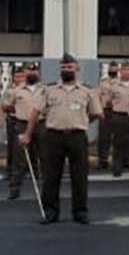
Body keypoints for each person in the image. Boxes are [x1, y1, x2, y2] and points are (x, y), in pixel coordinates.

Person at [23, 54, 101, 224]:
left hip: (77, 137)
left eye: (70, 67)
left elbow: (97, 113)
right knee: (51, 176)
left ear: (77, 69)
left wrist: (81, 121)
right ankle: (51, 212)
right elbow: (35, 112)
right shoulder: (48, 90)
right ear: (60, 69)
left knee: (79, 176)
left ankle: (80, 211)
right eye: (64, 67)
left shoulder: (87, 91)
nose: (66, 70)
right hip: (53, 137)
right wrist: (28, 134)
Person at [2, 65, 44, 199]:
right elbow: (6, 106)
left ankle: (46, 187)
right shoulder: (17, 90)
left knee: (44, 156)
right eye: (29, 72)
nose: (32, 74)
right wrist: (18, 112)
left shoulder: (45, 90)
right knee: (19, 157)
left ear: (38, 74)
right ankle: (14, 189)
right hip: (22, 124)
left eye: (34, 71)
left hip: (41, 124)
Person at [97, 63, 129, 175]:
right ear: (121, 71)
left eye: (128, 70)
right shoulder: (114, 86)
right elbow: (108, 100)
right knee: (117, 142)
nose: (126, 72)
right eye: (124, 70)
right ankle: (115, 167)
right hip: (118, 115)